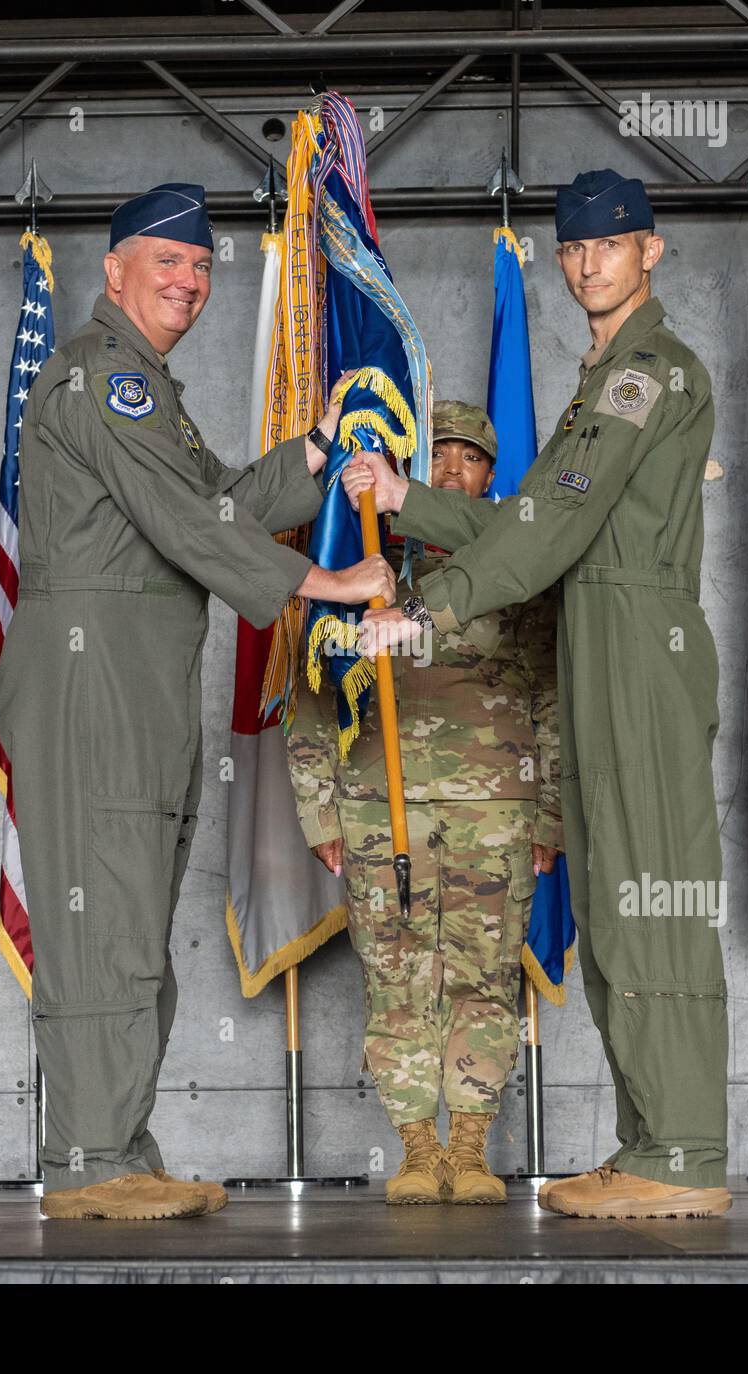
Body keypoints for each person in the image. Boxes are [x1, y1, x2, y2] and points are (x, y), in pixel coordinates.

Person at [0, 182, 393, 1221]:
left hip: (132, 678)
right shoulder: (100, 381)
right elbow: (193, 529)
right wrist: (329, 584)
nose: (189, 282)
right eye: (167, 263)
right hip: (94, 683)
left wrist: (313, 448)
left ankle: (119, 1144)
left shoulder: (146, 389)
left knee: (129, 918)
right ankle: (88, 1161)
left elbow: (216, 502)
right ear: (114, 270)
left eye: (204, 268)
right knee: (102, 920)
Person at [343, 169, 731, 1220]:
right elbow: (533, 521)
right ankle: (651, 1142)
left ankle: (686, 1152)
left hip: (638, 650)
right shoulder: (598, 378)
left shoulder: (643, 375)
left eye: (608, 245)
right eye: (570, 249)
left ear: (651, 252)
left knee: (656, 905)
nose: (585, 263)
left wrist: (430, 609)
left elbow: (549, 530)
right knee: (616, 913)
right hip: (600, 645)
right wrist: (408, 500)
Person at [290, 400, 563, 1205]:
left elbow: (553, 694)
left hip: (496, 813)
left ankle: (471, 1147)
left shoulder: (522, 565)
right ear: (408, 470)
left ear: (491, 473)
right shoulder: (364, 563)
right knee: (396, 978)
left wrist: (550, 813)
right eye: (436, 458)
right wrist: (320, 806)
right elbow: (312, 688)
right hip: (382, 806)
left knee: (484, 979)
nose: (451, 472)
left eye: (469, 460)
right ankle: (416, 1148)